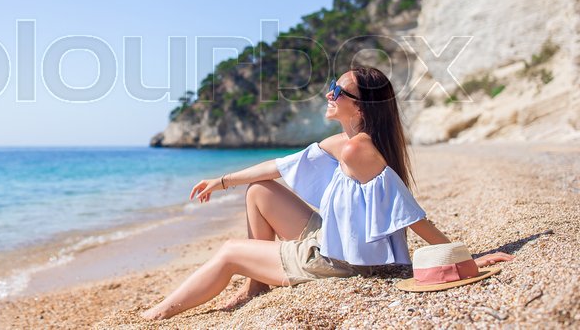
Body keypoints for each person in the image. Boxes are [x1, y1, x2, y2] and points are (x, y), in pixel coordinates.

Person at [141, 66, 514, 321]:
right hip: (332, 237)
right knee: (258, 191)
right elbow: (278, 167)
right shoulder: (346, 141)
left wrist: (463, 260)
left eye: (337, 91)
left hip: (338, 260)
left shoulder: (357, 150)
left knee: (229, 253)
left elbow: (409, 213)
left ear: (359, 106)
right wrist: (222, 180)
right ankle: (258, 285)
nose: (328, 93)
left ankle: (155, 315)